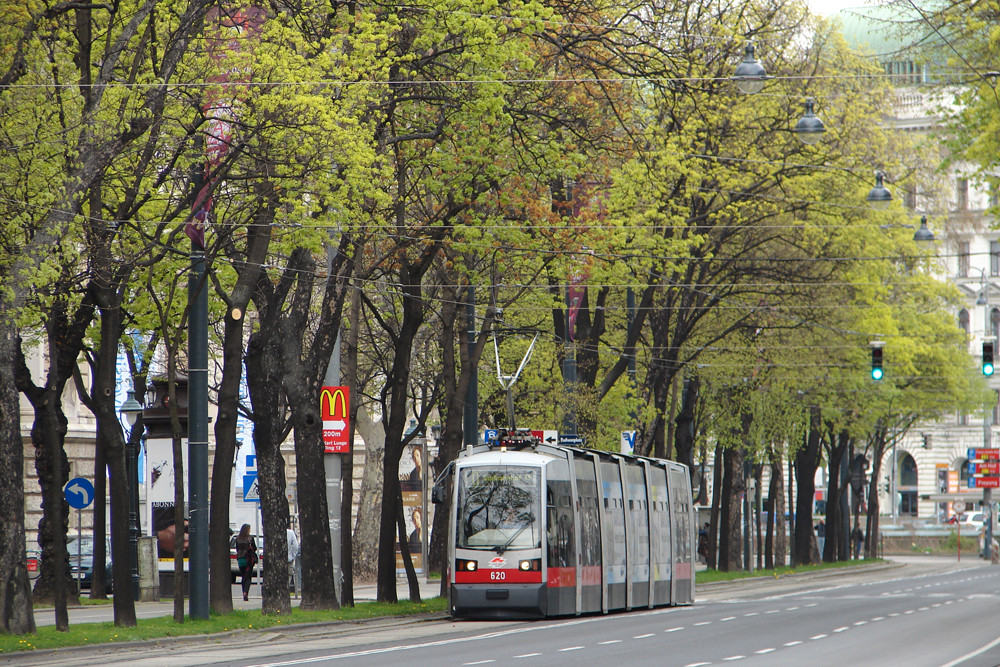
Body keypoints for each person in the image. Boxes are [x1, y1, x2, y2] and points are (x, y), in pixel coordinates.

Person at [235, 524, 258, 602]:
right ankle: (246, 592)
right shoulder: (250, 538)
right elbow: (254, 548)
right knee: (248, 576)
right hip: (248, 559)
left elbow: (237, 549)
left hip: (240, 559)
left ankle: (243, 592)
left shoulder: (237, 538)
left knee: (243, 576)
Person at [287, 526, 300, 594]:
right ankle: (286, 590)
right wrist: (293, 556)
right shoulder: (290, 533)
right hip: (288, 559)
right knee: (288, 574)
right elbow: (296, 546)